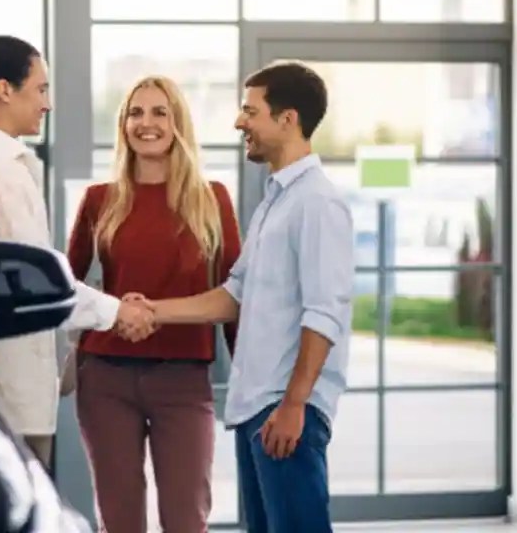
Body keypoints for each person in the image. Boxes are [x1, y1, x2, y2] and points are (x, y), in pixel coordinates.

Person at [126, 61, 353, 533]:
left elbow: (325, 314)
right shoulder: (276, 201)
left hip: (287, 410)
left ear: (287, 119)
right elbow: (233, 296)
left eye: (250, 111)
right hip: (258, 410)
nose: (238, 122)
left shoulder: (317, 203)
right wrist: (149, 309)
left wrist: (294, 405)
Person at [0, 34, 158, 467]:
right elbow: (33, 282)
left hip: (13, 384)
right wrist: (117, 313)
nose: (47, 104)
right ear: (5, 90)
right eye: (40, 89)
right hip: (8, 392)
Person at [65, 75, 241, 533]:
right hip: (105, 378)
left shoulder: (212, 199)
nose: (147, 123)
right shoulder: (99, 201)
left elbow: (236, 295)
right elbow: (67, 288)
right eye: (135, 113)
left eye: (160, 112)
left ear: (178, 122)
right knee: (120, 523)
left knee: (186, 520)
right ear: (123, 125)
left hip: (183, 380)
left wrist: (252, 381)